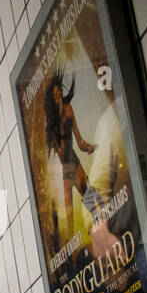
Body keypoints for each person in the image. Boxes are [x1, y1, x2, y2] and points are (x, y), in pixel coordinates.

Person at [44, 70, 96, 252]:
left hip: (73, 160)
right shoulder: (52, 123)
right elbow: (58, 153)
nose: (58, 96)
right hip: (66, 169)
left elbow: (79, 140)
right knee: (69, 218)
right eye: (55, 95)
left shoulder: (68, 109)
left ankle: (99, 231)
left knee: (91, 200)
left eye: (59, 93)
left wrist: (89, 147)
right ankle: (73, 252)